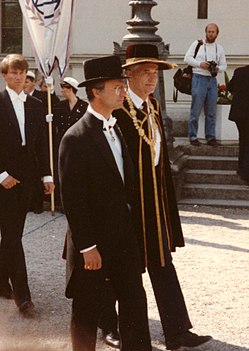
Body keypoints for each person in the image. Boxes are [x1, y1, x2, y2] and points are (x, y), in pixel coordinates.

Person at [98, 44, 212, 351]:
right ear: (129, 74)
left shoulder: (154, 106)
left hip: (155, 200)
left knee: (163, 262)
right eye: (145, 72)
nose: (151, 79)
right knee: (121, 268)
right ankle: (110, 326)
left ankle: (176, 331)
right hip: (129, 203)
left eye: (155, 72)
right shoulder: (118, 110)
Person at [59, 55, 152, 351]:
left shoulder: (117, 129)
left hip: (123, 239)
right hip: (93, 245)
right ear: (96, 92)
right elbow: (72, 199)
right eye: (117, 87)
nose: (123, 92)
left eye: (123, 87)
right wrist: (87, 246)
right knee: (87, 310)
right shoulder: (75, 138)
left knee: (135, 305)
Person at [0, 54, 54, 314]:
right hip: (2, 179)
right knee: (12, 236)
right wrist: (1, 174)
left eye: (21, 72)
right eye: (13, 73)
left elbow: (41, 142)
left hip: (25, 180)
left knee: (11, 235)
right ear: (4, 76)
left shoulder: (35, 104)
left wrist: (47, 175)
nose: (18, 77)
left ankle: (1, 282)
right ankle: (23, 297)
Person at [184, 23, 227, 146]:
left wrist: (216, 68)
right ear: (205, 32)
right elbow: (187, 58)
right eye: (209, 31)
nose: (211, 34)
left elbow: (224, 65)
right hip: (198, 78)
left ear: (217, 33)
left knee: (211, 111)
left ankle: (210, 137)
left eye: (213, 32)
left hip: (212, 80)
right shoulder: (198, 44)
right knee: (196, 110)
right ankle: (193, 136)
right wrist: (200, 64)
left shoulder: (220, 48)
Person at [53, 77, 88, 208]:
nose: (62, 91)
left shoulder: (84, 107)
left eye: (65, 88)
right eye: (62, 88)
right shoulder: (59, 106)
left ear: (72, 89)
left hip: (78, 144)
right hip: (61, 142)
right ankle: (61, 202)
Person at [23, 70, 45, 214]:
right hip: (24, 140)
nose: (24, 84)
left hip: (37, 140)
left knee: (36, 175)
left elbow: (52, 103)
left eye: (27, 81)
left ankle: (37, 204)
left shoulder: (40, 97)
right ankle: (27, 204)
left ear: (32, 83)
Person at [228, 65, 249, 183]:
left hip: (239, 113)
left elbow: (230, 87)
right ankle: (246, 172)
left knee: (243, 140)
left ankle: (241, 168)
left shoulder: (239, 71)